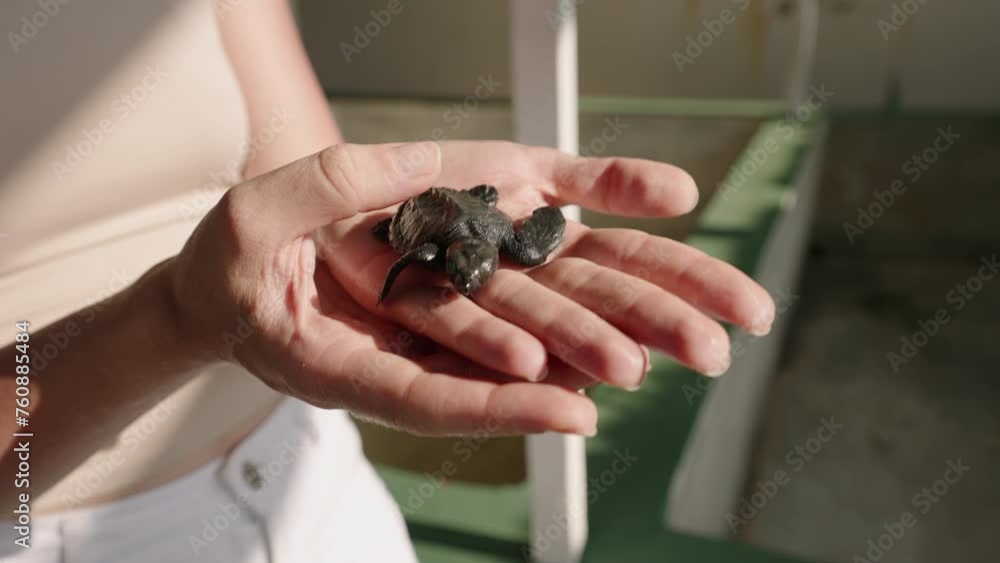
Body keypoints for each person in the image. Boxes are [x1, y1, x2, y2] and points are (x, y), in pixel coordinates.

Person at [0, 1, 774, 561]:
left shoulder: (481, 252)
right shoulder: (427, 264)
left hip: (315, 472)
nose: (465, 282)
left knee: (521, 253)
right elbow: (408, 249)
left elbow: (293, 164)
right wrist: (179, 315)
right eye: (459, 275)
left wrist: (344, 218)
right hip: (52, 527)